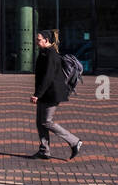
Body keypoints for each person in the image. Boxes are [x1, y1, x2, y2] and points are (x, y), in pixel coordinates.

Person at [32, 29, 81, 160]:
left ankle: (75, 141)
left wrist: (37, 94)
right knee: (39, 122)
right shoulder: (43, 53)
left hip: (52, 93)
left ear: (46, 40)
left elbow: (48, 77)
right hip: (45, 93)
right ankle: (44, 150)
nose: (36, 42)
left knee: (47, 121)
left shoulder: (51, 54)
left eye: (38, 39)